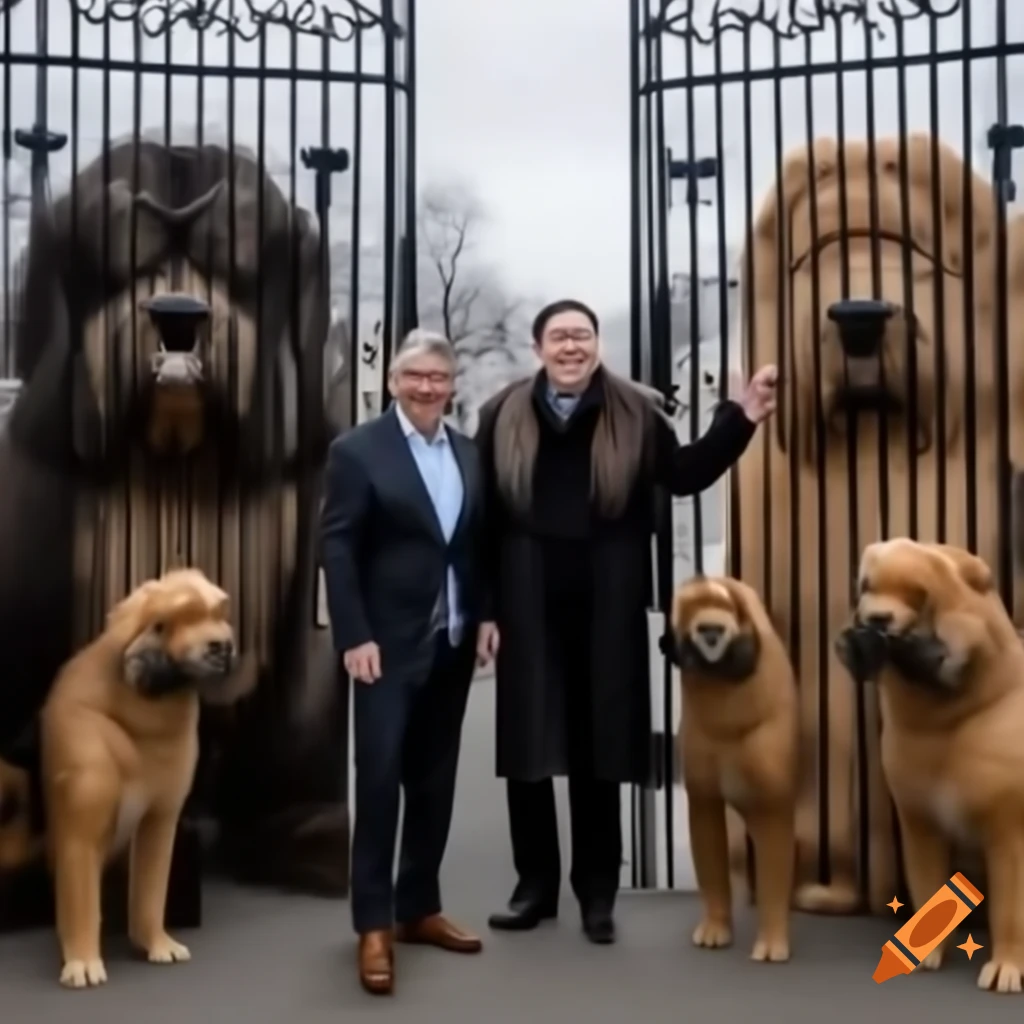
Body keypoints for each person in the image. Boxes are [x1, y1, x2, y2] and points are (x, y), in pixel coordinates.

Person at [474, 298, 777, 945]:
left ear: (596, 345)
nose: (571, 346)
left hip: (607, 603)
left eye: (582, 335)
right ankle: (534, 888)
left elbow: (686, 474)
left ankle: (597, 896)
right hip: (526, 600)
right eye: (559, 336)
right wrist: (485, 610)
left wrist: (742, 418)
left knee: (600, 748)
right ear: (538, 348)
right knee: (527, 751)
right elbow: (483, 520)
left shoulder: (636, 412)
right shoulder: (501, 415)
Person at [320, 329, 491, 995]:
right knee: (380, 780)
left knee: (434, 780)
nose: (426, 387)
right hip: (383, 649)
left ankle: (418, 907)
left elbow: (476, 544)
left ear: (452, 386)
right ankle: (373, 925)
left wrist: (487, 616)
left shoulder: (469, 453)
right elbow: (337, 547)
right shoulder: (357, 452)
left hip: (451, 641)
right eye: (414, 376)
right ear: (393, 382)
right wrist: (353, 635)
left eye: (438, 377)